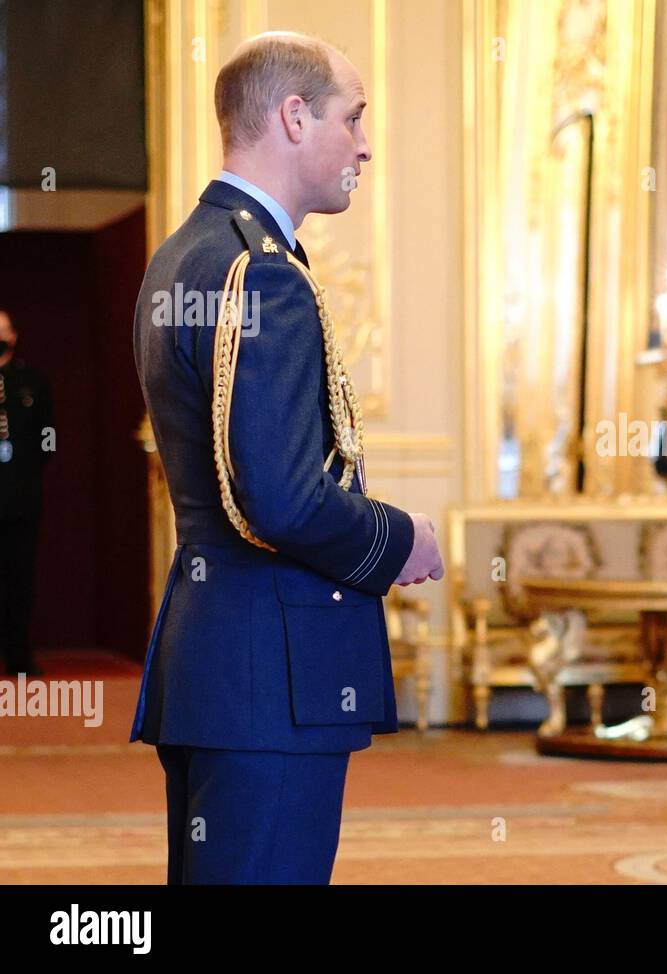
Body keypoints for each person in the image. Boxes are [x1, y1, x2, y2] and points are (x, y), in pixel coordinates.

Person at [131, 32, 444, 884]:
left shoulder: (181, 256)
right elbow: (280, 498)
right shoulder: (259, 272)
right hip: (272, 674)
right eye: (354, 117)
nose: (366, 144)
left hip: (217, 658)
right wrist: (398, 538)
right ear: (294, 117)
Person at [0, 309, 54, 677]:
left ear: (14, 336)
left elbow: (49, 435)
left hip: (20, 498)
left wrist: (32, 469)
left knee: (18, 581)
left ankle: (18, 656)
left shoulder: (32, 381)